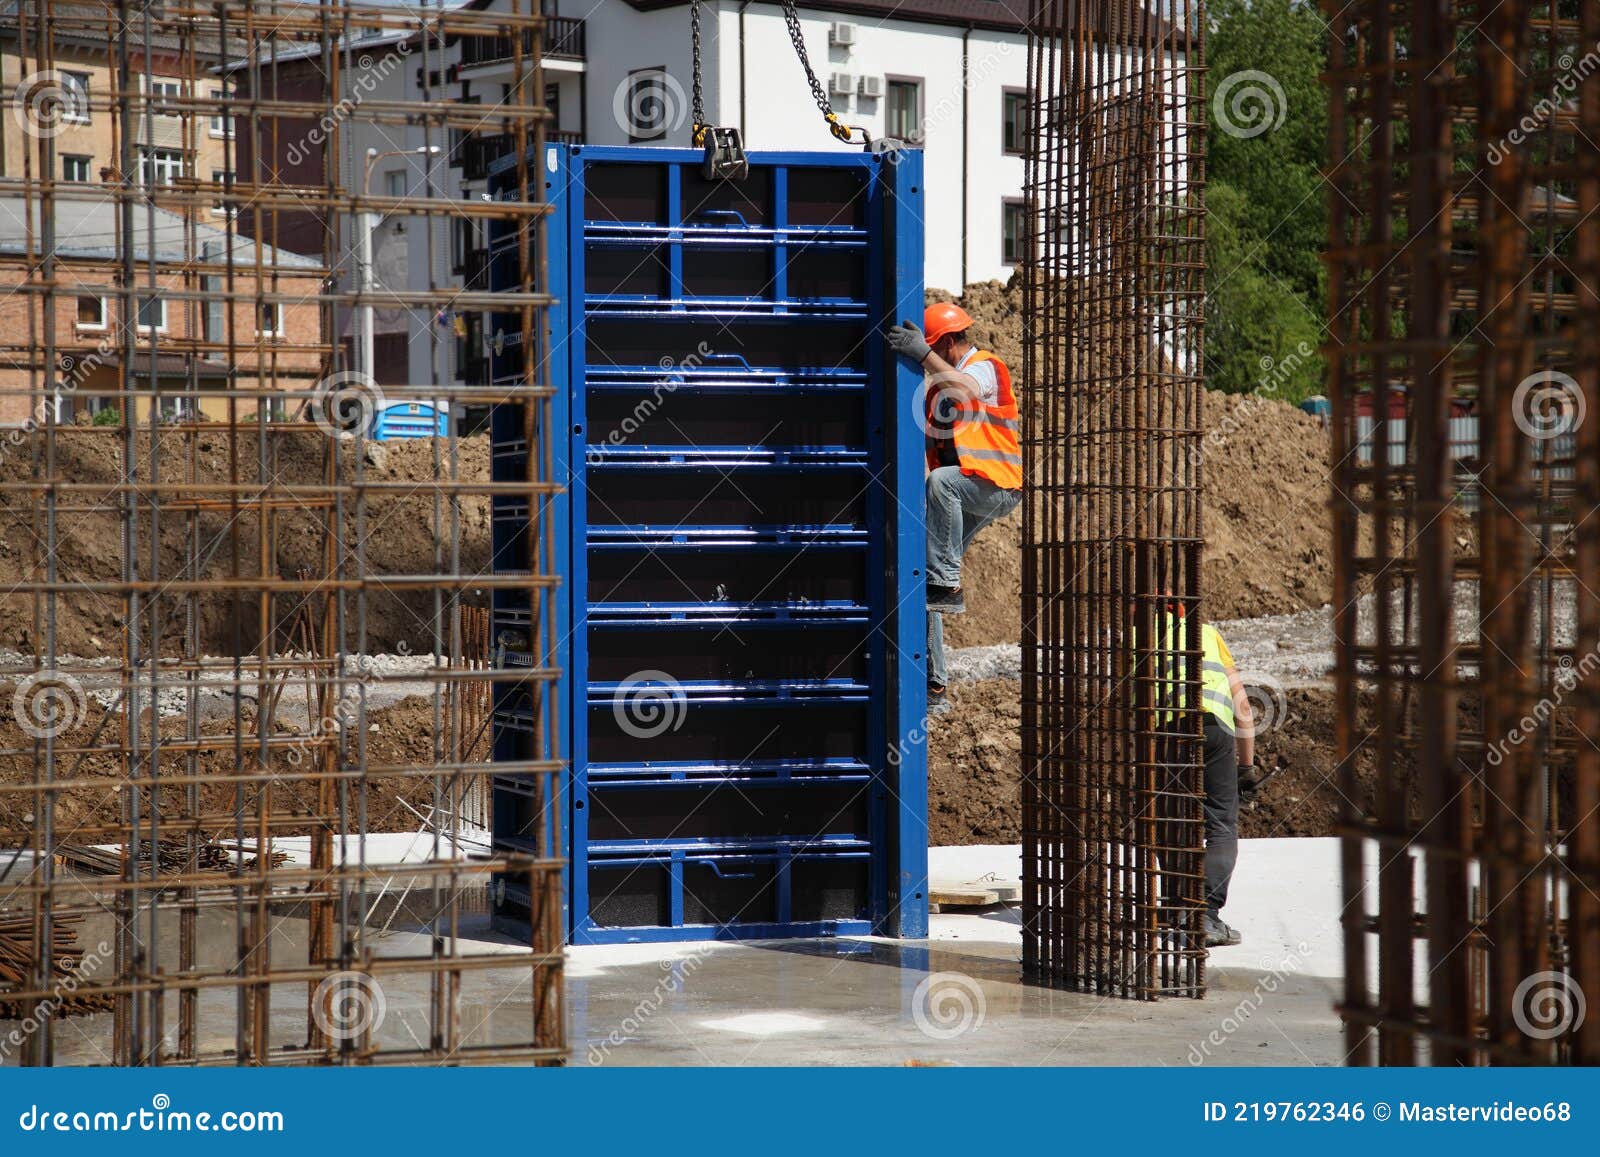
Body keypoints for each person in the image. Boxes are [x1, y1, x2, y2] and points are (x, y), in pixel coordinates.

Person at [887, 304, 1023, 715]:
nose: (925, 359)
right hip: (965, 490)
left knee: (941, 485)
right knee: (920, 576)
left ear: (946, 343)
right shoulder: (934, 390)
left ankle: (948, 582)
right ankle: (935, 685)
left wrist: (920, 354)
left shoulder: (986, 366)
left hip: (996, 485)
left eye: (929, 350)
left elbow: (964, 388)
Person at [1155, 605, 1256, 948]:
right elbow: (1242, 706)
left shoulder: (1139, 635)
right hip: (1215, 730)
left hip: (1167, 731)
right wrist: (1246, 767)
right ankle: (1206, 916)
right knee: (1221, 824)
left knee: (1169, 819)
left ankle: (1175, 909)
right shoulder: (1208, 633)